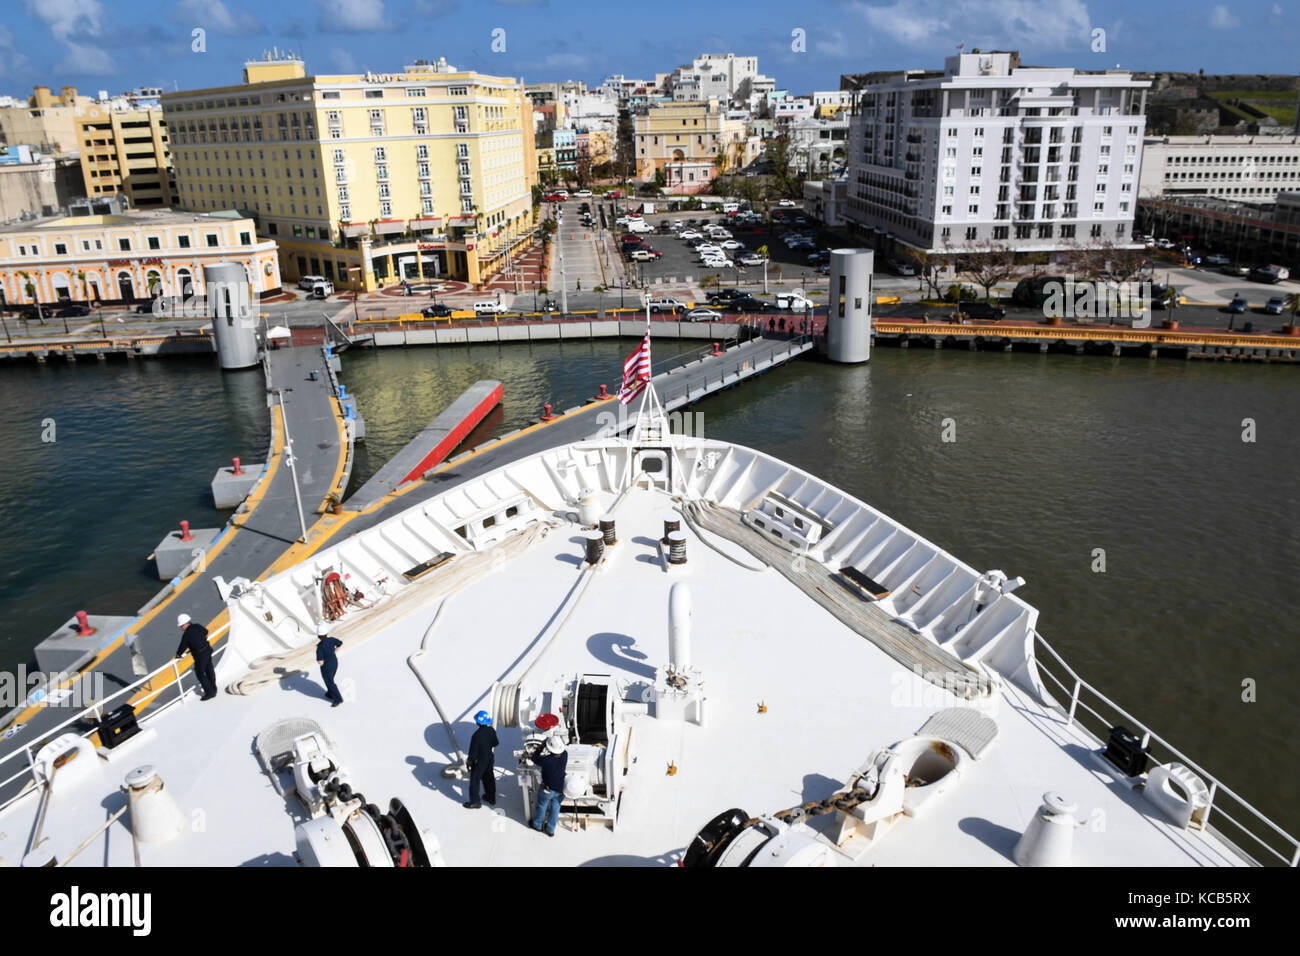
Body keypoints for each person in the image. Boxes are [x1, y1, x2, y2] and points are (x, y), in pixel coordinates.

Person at [530, 736, 568, 837]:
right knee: (556, 808)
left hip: (547, 789)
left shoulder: (546, 760)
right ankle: (550, 829)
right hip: (559, 788)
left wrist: (541, 746)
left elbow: (534, 758)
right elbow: (563, 750)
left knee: (542, 806)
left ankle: (537, 825)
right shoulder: (565, 755)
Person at [174, 613, 217, 700]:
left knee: (200, 673)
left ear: (186, 624)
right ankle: (214, 688)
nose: (181, 627)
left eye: (182, 626)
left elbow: (183, 646)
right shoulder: (197, 626)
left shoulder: (187, 634)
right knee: (209, 670)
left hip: (200, 655)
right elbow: (206, 631)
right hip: (207, 650)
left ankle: (210, 693)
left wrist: (178, 655)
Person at [463, 711, 499, 809]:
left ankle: (475, 802)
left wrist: (470, 761)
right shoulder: (491, 730)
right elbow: (495, 743)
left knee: (475, 779)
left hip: (480, 761)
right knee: (489, 777)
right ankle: (491, 797)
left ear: (478, 722)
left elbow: (473, 752)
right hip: (489, 757)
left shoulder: (476, 735)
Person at [315, 621, 344, 707]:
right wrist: (335, 650)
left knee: (329, 682)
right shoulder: (331, 640)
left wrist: (322, 663)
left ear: (318, 636)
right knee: (330, 680)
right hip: (334, 663)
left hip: (327, 667)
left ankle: (338, 699)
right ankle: (330, 693)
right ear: (326, 633)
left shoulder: (320, 647)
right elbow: (340, 643)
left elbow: (320, 662)